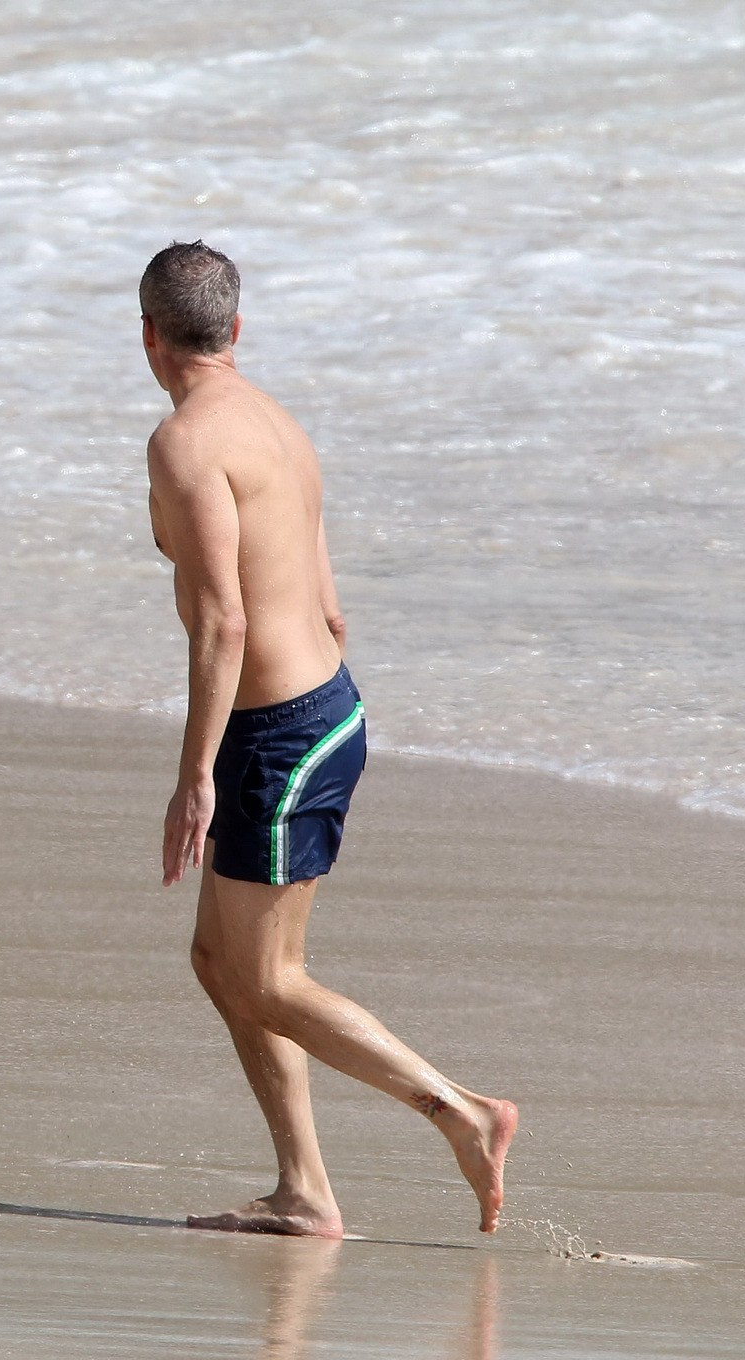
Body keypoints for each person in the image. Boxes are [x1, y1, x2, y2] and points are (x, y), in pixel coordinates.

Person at [140, 241, 515, 1236]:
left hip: (281, 731)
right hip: (308, 714)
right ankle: (304, 1188)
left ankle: (462, 1111)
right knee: (223, 963)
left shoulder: (186, 442)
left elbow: (227, 621)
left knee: (267, 977)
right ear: (236, 327)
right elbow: (326, 600)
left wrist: (195, 781)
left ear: (146, 335)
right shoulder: (278, 423)